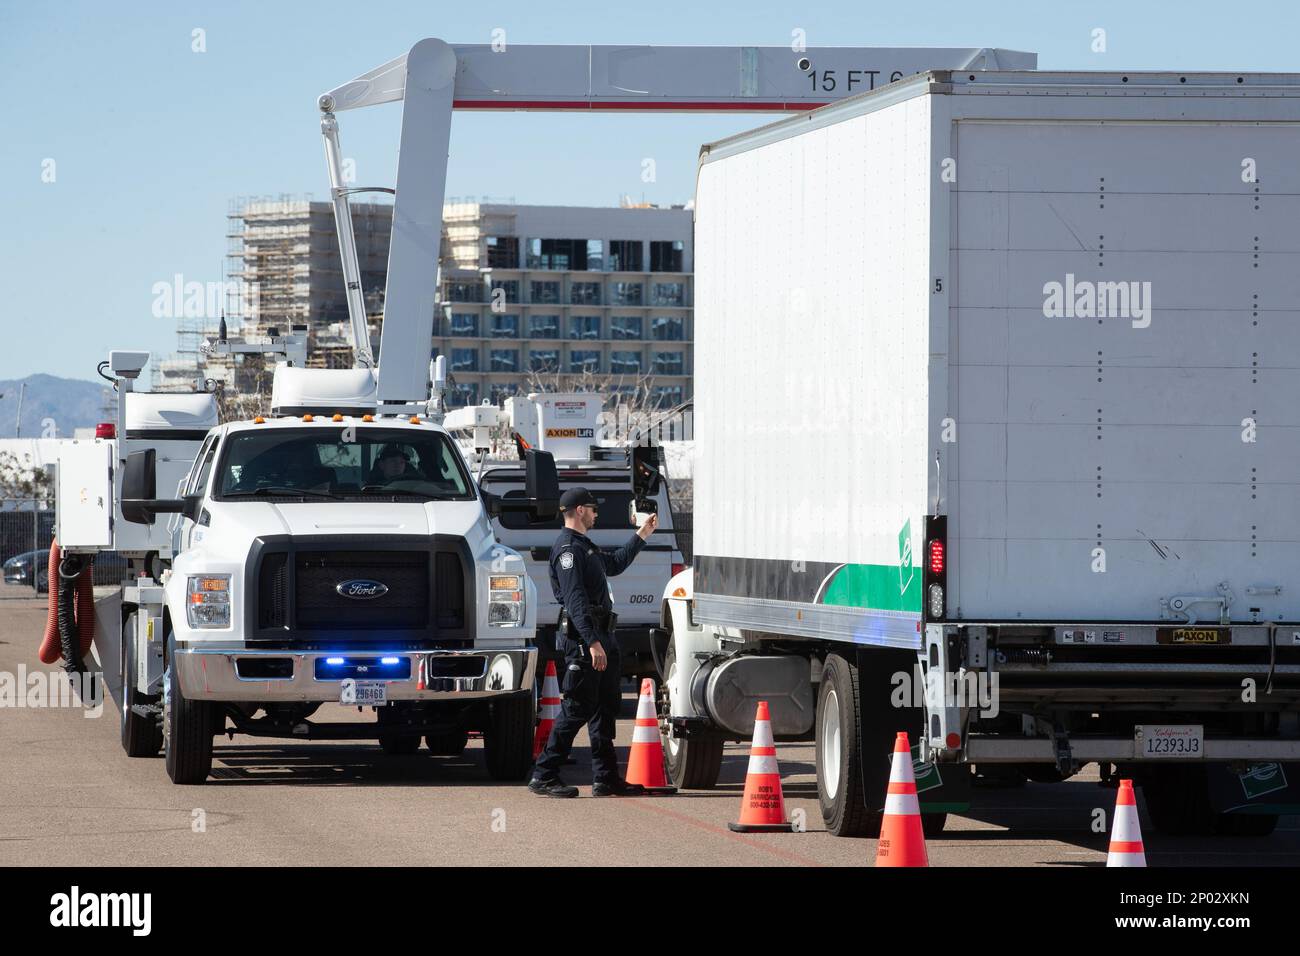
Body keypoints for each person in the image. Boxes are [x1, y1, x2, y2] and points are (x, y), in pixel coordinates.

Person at [529, 487, 658, 797]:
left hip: (601, 636)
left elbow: (614, 565)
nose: (596, 513)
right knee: (576, 708)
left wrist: (642, 534)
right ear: (579, 511)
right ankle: (544, 775)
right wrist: (592, 643)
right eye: (592, 508)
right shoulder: (569, 550)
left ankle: (606, 778)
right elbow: (575, 601)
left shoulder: (584, 546)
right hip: (584, 641)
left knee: (604, 709)